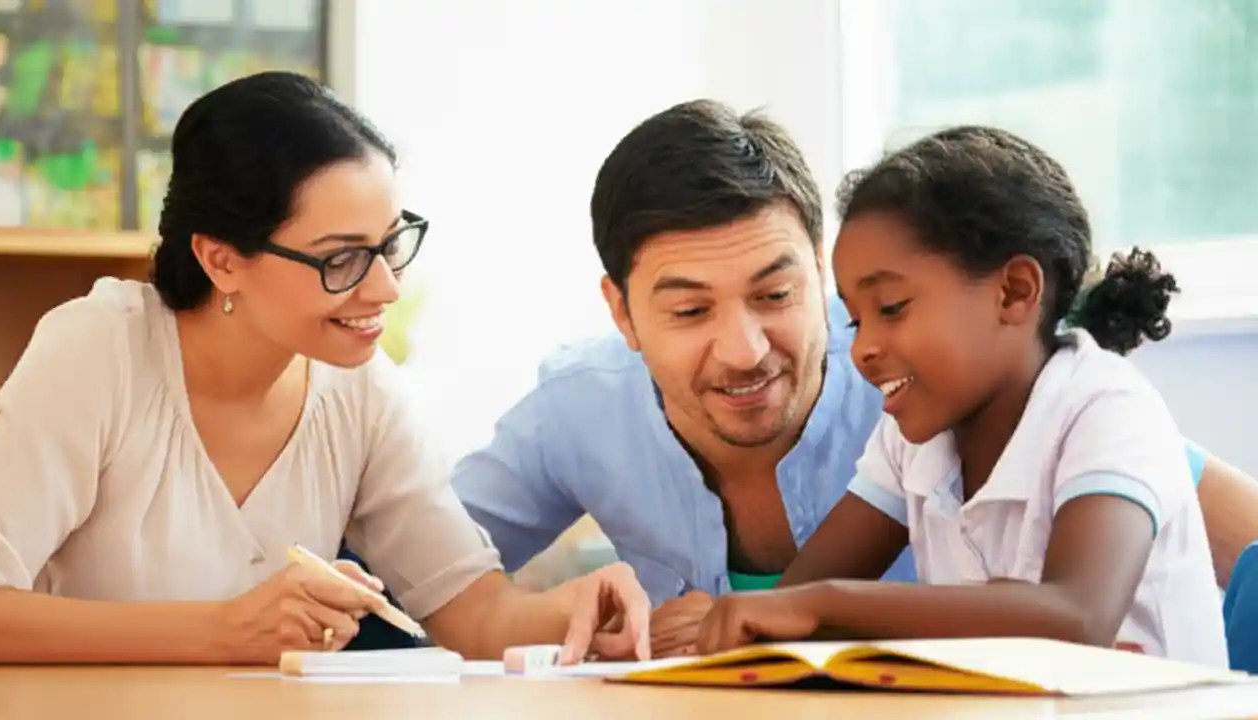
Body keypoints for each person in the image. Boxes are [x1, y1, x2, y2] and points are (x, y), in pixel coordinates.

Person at [451, 99, 1257, 659]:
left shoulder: (1064, 400)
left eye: (777, 294)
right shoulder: (915, 428)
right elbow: (416, 573)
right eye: (691, 311)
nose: (743, 349)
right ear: (621, 315)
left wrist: (810, 612)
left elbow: (1087, 606)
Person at [0, 71, 649, 665]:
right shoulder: (99, 352)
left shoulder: (363, 388)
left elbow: (469, 611)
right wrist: (224, 632)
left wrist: (574, 609)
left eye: (390, 244)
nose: (386, 287)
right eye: (342, 258)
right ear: (220, 259)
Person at [694, 126, 1227, 667]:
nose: (864, 350)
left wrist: (827, 605)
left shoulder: (1106, 409)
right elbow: (789, 605)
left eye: (893, 307)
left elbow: (1078, 618)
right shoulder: (911, 441)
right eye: (856, 322)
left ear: (1015, 291)